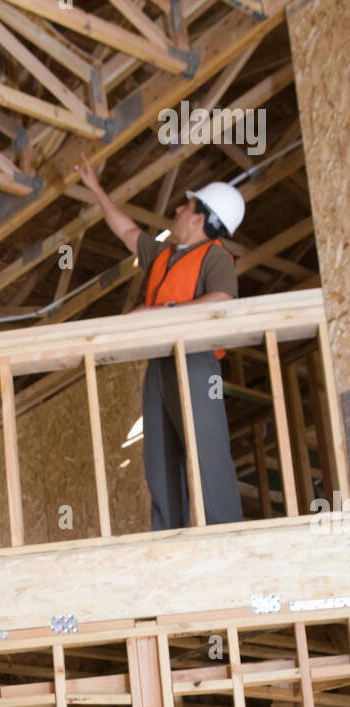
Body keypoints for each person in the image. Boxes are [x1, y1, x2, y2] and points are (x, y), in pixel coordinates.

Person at [73, 157, 247, 531]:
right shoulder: (162, 256)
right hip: (159, 363)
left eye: (186, 206)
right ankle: (168, 535)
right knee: (159, 458)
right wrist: (95, 188)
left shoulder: (215, 257)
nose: (179, 209)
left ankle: (225, 531)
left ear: (199, 219)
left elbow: (224, 301)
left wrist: (161, 311)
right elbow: (126, 231)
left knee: (206, 451)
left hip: (196, 362)